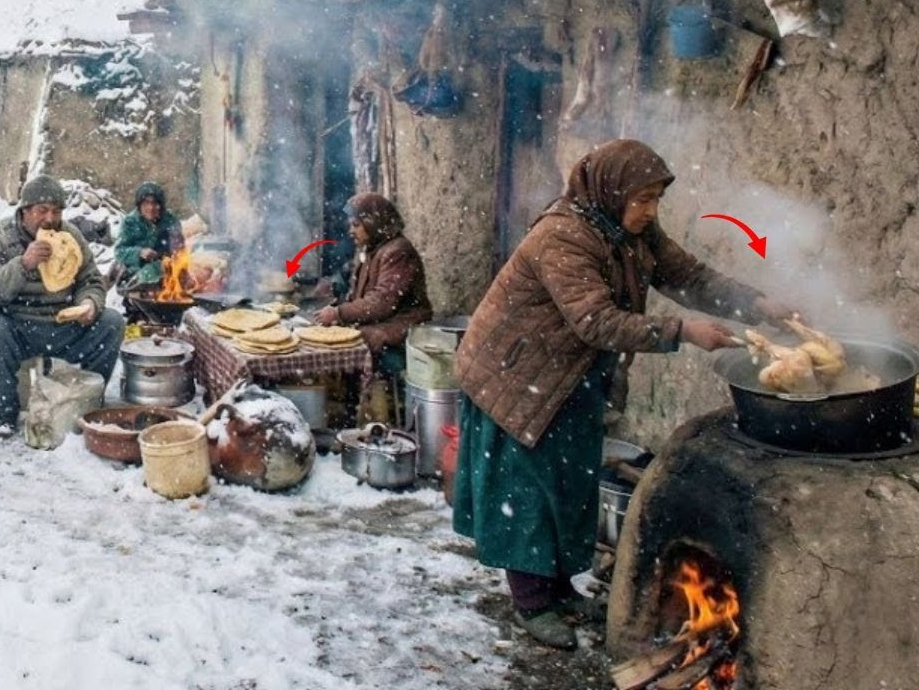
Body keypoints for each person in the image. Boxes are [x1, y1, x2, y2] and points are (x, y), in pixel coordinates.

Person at [451, 139, 797, 649]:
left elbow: (689, 276)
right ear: (610, 192)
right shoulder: (563, 238)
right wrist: (681, 332)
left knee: (570, 483)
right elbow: (594, 320)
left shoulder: (629, 230)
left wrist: (758, 304)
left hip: (570, 374)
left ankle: (561, 588)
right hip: (517, 376)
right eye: (642, 200)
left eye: (656, 198)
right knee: (527, 494)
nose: (650, 210)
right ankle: (531, 602)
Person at [0, 175, 125, 439]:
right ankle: (4, 414)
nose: (50, 219)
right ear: (25, 212)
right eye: (42, 211)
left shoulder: (70, 235)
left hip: (61, 325)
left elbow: (91, 280)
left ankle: (86, 405)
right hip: (15, 328)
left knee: (111, 322)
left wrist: (89, 303)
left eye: (57, 211)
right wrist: (22, 265)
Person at [313, 193, 433, 357]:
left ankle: (378, 380)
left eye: (356, 225)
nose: (351, 231)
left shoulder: (398, 252)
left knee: (350, 345)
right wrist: (336, 307)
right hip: (382, 323)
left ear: (373, 223)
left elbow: (381, 302)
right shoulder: (373, 250)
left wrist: (340, 313)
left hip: (401, 328)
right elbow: (359, 296)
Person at [113, 181, 184, 289]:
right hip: (136, 271)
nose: (151, 208)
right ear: (139, 206)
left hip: (165, 268)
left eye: (155, 203)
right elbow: (119, 252)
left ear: (161, 206)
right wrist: (139, 253)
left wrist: (165, 256)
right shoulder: (131, 222)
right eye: (146, 203)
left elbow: (179, 248)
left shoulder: (170, 220)